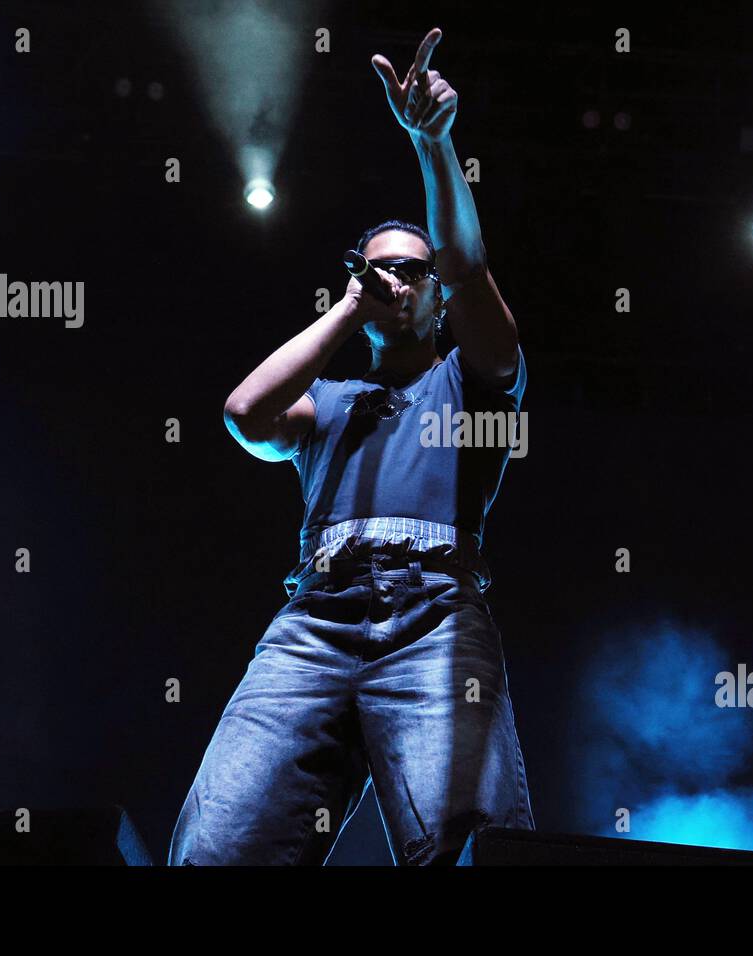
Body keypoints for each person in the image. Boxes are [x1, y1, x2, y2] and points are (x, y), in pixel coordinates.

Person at [169, 28, 533, 865]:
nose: (394, 282)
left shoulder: (474, 381)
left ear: (435, 295)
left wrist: (433, 146)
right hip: (314, 624)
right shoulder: (328, 402)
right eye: (378, 270)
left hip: (435, 616)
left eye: (411, 271)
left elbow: (470, 270)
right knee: (220, 843)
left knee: (466, 846)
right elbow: (244, 412)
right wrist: (347, 309)